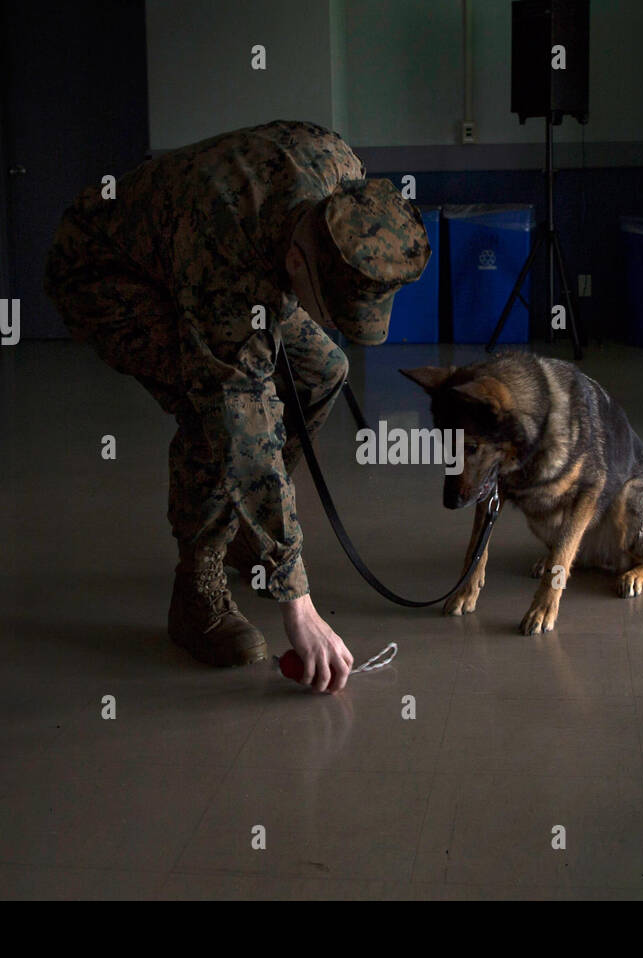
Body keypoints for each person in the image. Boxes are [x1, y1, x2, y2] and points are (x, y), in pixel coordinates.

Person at [44, 120, 430, 692]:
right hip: (111, 276)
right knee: (216, 418)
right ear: (299, 266)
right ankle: (196, 591)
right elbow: (237, 417)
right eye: (331, 309)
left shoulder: (341, 177)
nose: (334, 322)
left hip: (224, 248)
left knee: (325, 369)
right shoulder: (226, 256)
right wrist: (298, 603)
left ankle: (250, 524)